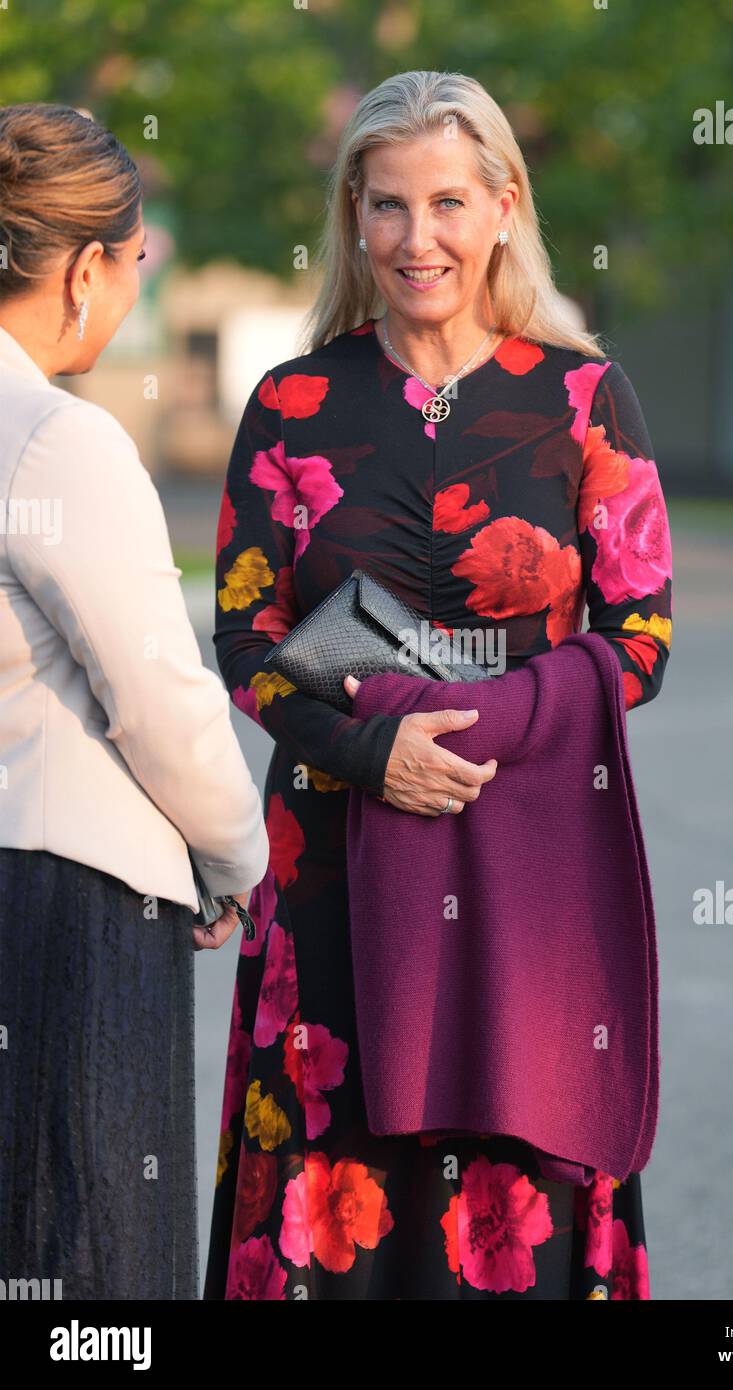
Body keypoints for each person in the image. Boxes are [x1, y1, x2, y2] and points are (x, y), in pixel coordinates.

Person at [204, 69, 672, 1301]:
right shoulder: (291, 404)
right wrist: (374, 755)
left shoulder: (582, 397)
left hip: (530, 863)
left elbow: (643, 638)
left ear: (505, 206)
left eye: (451, 203)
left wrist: (495, 724)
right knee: (339, 1176)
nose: (423, 240)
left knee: (514, 1188)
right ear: (354, 217)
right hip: (330, 862)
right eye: (391, 207)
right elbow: (250, 645)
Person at [0, 102, 269, 1299]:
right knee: (98, 1269)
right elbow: (160, 696)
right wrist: (237, 856)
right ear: (84, 270)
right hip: (73, 906)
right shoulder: (59, 437)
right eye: (134, 263)